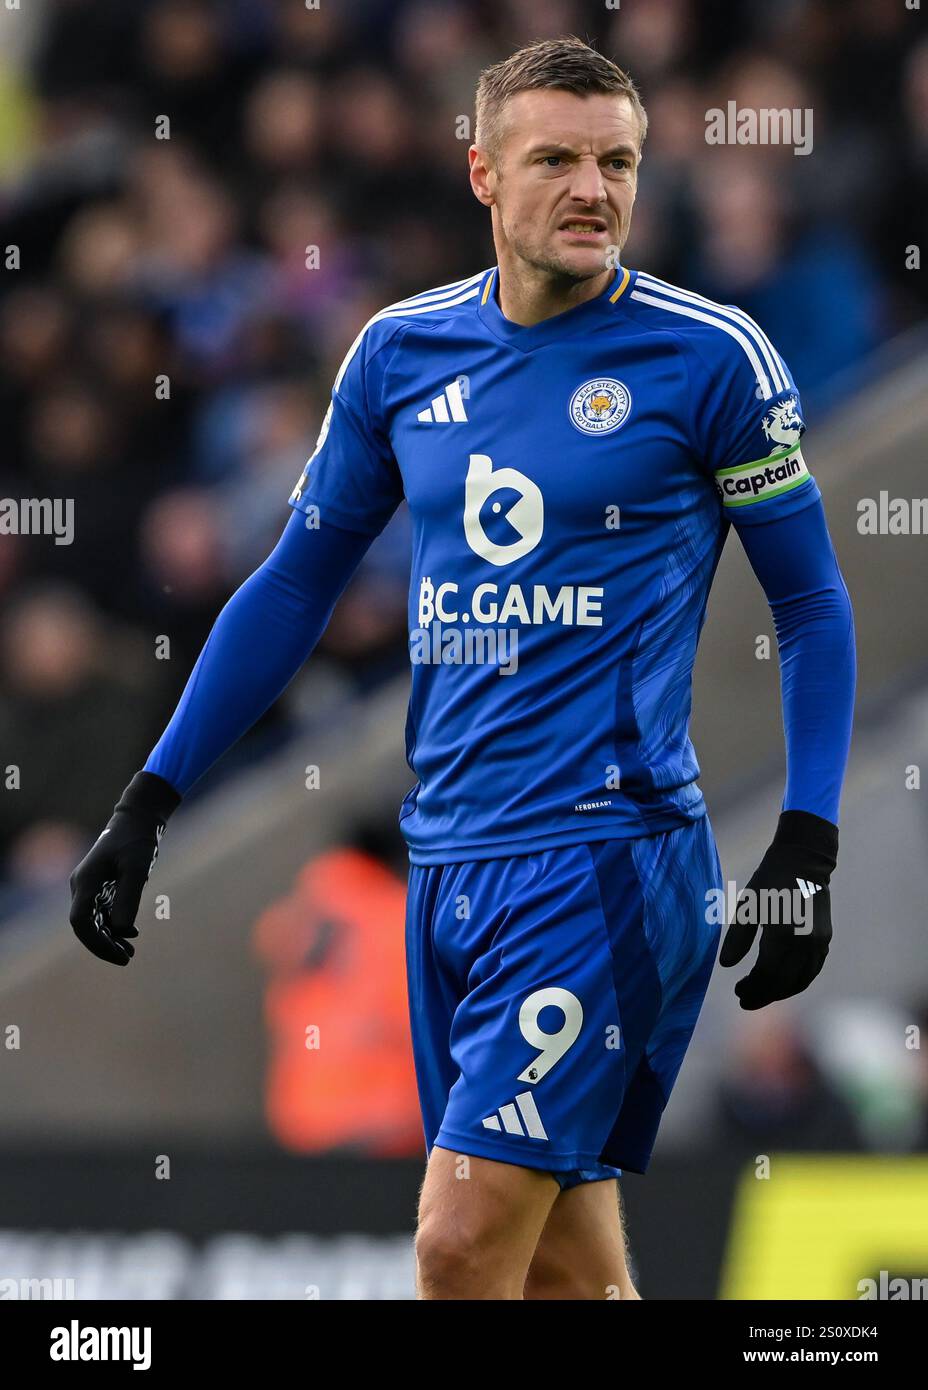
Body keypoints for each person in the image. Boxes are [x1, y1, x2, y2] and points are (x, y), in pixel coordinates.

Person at [69, 37, 856, 1301]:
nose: (593, 189)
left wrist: (808, 839)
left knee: (455, 1243)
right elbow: (292, 585)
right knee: (562, 1275)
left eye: (616, 162)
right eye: (556, 160)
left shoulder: (708, 360)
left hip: (602, 861)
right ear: (483, 173)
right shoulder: (398, 356)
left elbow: (812, 603)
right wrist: (150, 797)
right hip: (448, 869)